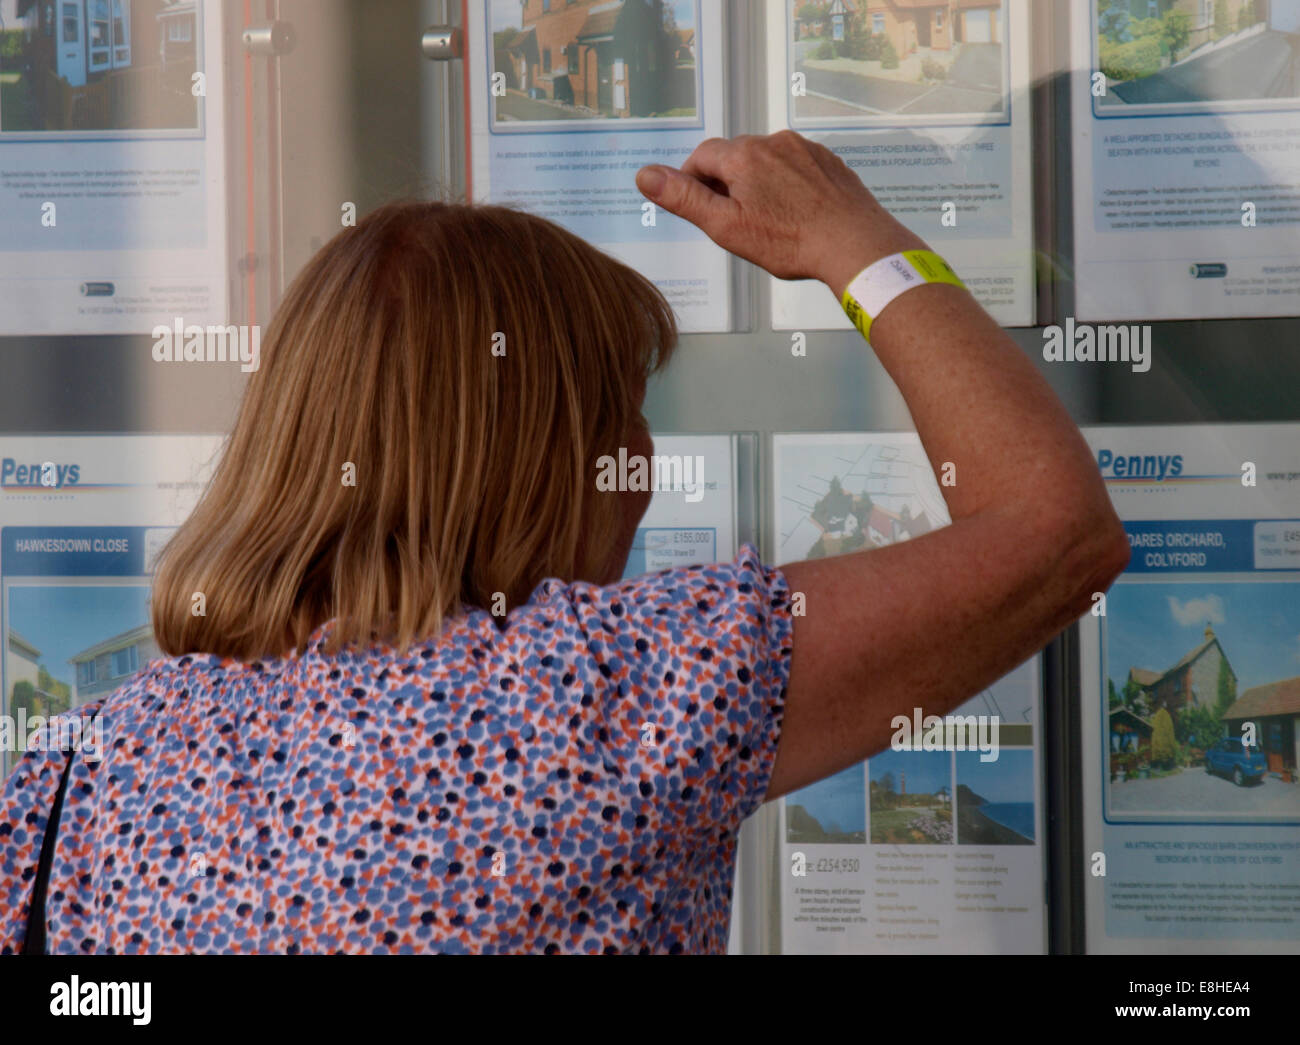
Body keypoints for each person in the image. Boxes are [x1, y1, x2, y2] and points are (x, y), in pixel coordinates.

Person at [0, 131, 1129, 954]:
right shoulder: (609, 691)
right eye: (626, 413)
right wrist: (858, 245)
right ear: (550, 455)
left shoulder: (75, 772)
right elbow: (1052, 532)